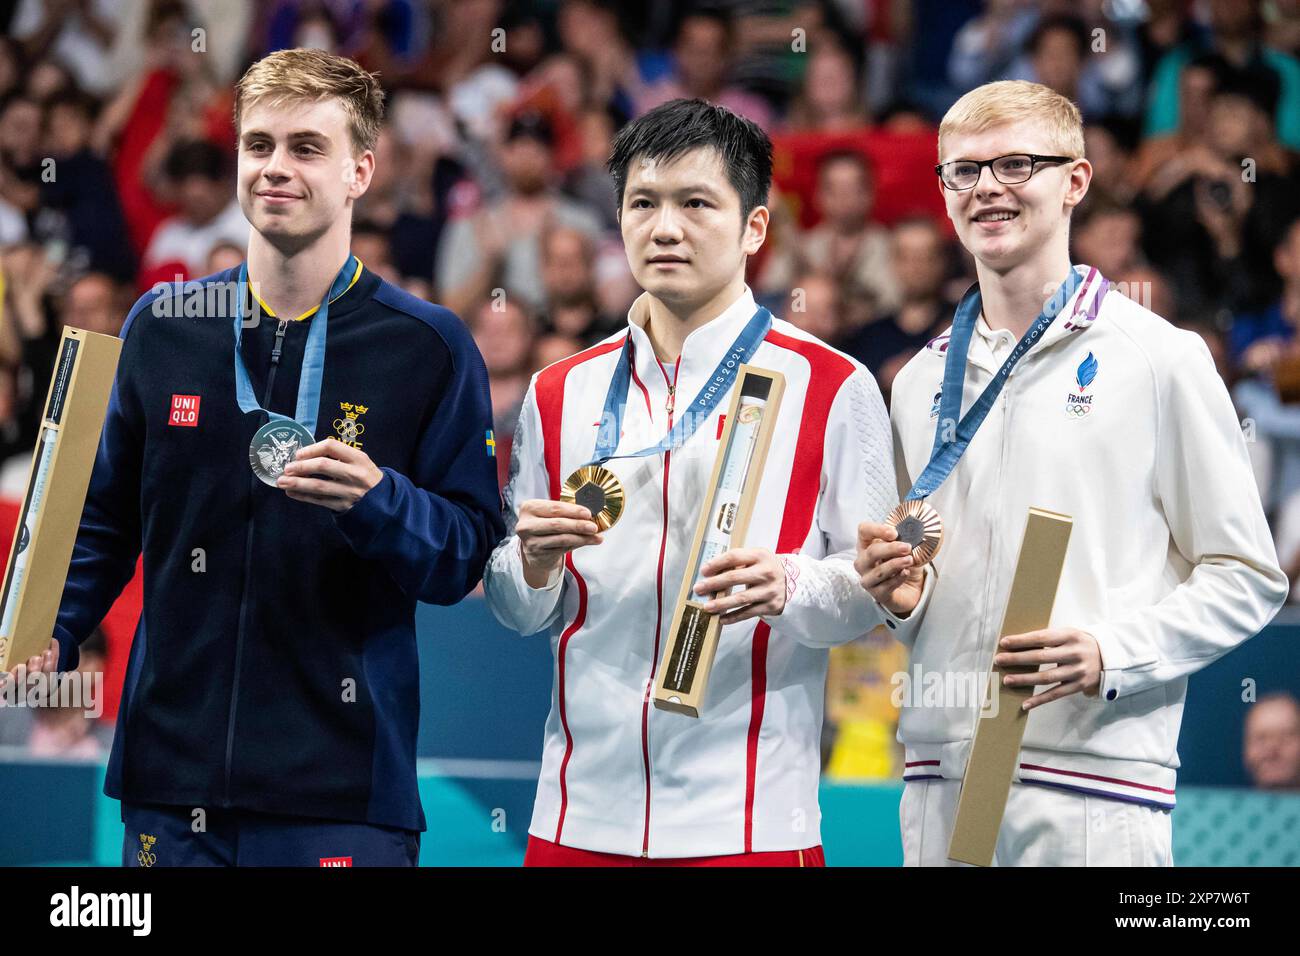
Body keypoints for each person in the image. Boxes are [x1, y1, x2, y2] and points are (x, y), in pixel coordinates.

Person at [3, 48, 504, 867]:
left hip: (341, 789)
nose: (275, 167)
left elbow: (464, 551)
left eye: (307, 148)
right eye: (259, 145)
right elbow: (102, 521)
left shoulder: (428, 346)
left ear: (360, 172)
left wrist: (381, 499)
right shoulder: (163, 324)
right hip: (170, 779)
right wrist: (52, 633)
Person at [856, 80, 1287, 866]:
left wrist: (1110, 653)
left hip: (1095, 788)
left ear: (1076, 182)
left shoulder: (1160, 359)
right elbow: (922, 590)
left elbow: (1248, 575)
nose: (987, 187)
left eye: (1016, 163)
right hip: (938, 783)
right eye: (963, 171)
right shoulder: (917, 383)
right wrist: (905, 603)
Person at [483, 98, 900, 866]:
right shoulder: (555, 392)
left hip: (748, 822)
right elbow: (516, 607)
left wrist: (791, 583)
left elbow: (871, 593)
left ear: (755, 229)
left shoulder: (833, 385)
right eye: (642, 203)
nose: (664, 227)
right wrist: (532, 563)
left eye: (696, 203)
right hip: (577, 818)